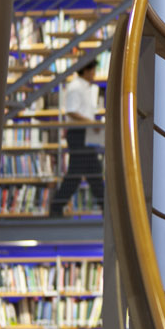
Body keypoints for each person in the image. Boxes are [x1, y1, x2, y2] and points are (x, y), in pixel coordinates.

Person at [48, 60, 104, 216]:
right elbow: (71, 111)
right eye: (93, 71)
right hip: (78, 134)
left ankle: (57, 207)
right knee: (85, 173)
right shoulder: (76, 87)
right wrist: (91, 123)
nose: (94, 74)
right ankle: (56, 207)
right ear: (86, 70)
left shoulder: (85, 87)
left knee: (89, 172)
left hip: (84, 134)